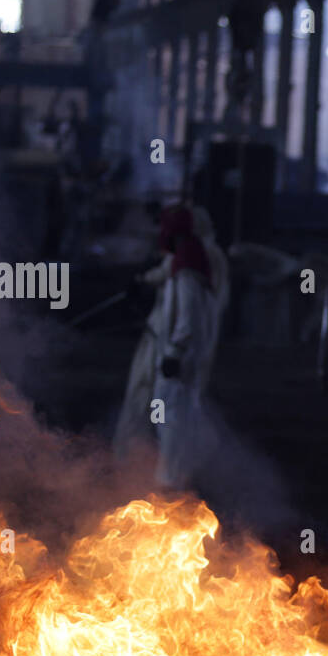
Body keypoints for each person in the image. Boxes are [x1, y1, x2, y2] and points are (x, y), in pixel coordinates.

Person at [113, 204, 223, 489]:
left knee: (172, 415)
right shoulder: (188, 259)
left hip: (179, 356)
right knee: (173, 413)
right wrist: (142, 282)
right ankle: (173, 475)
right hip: (180, 352)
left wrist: (174, 352)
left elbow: (188, 318)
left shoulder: (188, 269)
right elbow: (165, 274)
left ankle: (170, 481)